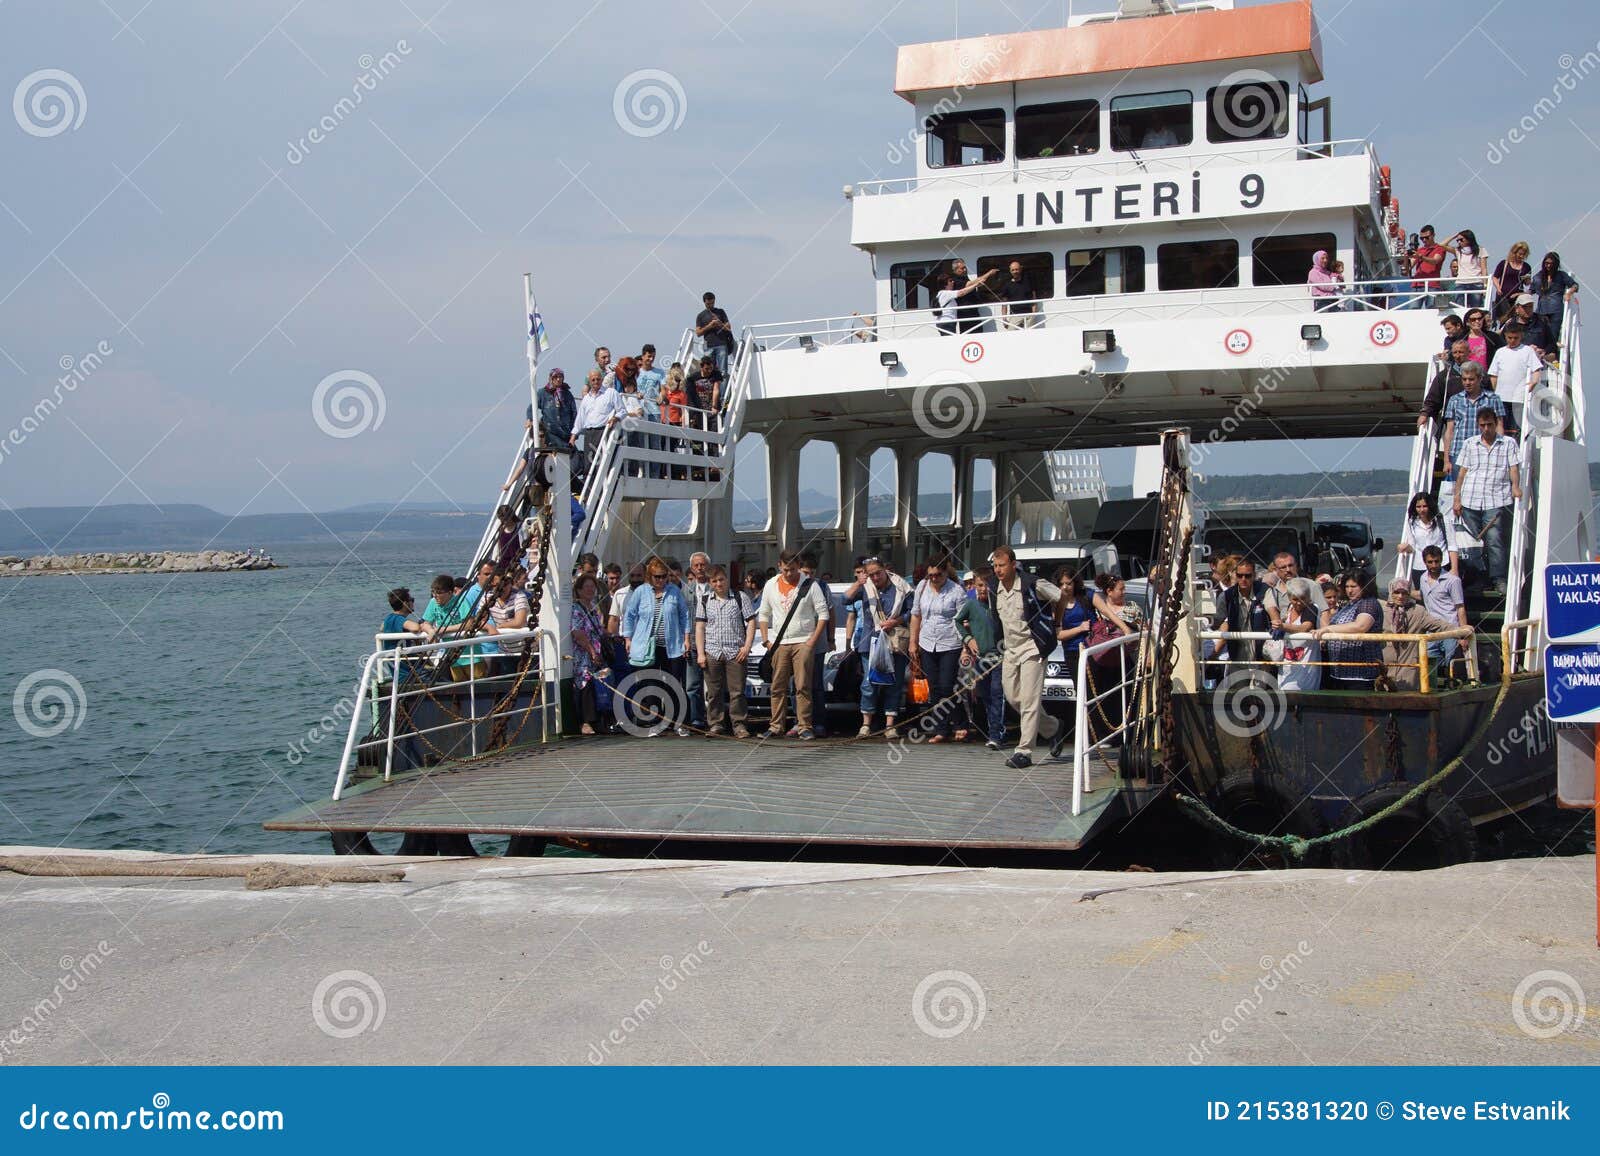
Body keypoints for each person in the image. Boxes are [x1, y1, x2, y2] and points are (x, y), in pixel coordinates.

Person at [989, 545, 1069, 770]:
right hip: (1010, 650)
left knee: (1030, 700)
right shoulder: (995, 587)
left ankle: (1024, 751)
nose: (997, 570)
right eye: (995, 566)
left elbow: (1060, 596)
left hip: (1033, 648)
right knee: (1014, 697)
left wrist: (1057, 622)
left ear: (1013, 565)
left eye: (1002, 565)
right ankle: (1053, 727)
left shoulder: (1032, 583)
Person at [756, 550, 832, 740]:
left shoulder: (810, 584)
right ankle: (776, 726)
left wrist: (812, 641)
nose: (789, 574)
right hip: (779, 642)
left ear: (799, 566)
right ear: (780, 565)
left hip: (803, 641)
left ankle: (804, 726)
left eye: (792, 569)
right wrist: (766, 639)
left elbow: (824, 614)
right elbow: (763, 614)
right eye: (785, 569)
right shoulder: (770, 585)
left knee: (802, 686)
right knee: (777, 686)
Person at [619, 556, 693, 736]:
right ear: (649, 576)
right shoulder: (640, 592)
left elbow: (685, 615)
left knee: (674, 683)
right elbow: (629, 615)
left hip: (672, 646)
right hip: (646, 646)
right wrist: (628, 638)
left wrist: (686, 638)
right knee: (649, 683)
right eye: (657, 576)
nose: (661, 580)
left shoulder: (674, 591)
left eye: (664, 576)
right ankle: (651, 721)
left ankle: (678, 722)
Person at [1452, 407, 1522, 594]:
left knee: (1494, 539)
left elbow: (1513, 468)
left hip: (1496, 498)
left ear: (1496, 423)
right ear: (1478, 425)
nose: (1486, 429)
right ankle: (1480, 578)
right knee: (1476, 542)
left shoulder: (1508, 443)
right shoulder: (1469, 443)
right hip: (1470, 498)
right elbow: (1462, 473)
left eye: (1489, 424)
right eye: (1482, 425)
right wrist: (1456, 498)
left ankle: (1499, 578)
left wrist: (1515, 487)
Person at [844, 556, 914, 739]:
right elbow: (845, 599)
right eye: (871, 575)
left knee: (894, 682)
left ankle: (890, 725)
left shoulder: (901, 586)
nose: (875, 578)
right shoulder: (865, 587)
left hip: (895, 641)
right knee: (869, 683)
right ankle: (866, 724)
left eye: (878, 573)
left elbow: (911, 612)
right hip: (870, 641)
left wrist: (895, 621)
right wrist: (858, 583)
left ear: (885, 569)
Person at [908, 556, 967, 743]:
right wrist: (913, 642)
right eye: (931, 575)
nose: (934, 578)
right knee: (933, 687)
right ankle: (940, 728)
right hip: (927, 642)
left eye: (938, 575)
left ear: (945, 572)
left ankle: (960, 723)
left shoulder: (956, 591)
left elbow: (964, 619)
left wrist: (966, 646)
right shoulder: (922, 587)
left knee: (947, 686)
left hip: (950, 642)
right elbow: (916, 615)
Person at [696, 565, 755, 739]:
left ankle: (739, 725)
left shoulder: (739, 597)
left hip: (735, 651)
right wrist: (701, 653)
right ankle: (716, 724)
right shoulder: (705, 600)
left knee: (737, 692)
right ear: (710, 583)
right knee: (714, 692)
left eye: (721, 579)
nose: (718, 583)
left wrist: (747, 646)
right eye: (714, 581)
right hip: (713, 651)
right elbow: (700, 627)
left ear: (727, 579)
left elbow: (751, 621)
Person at [954, 566, 1006, 749]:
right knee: (984, 695)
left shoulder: (999, 603)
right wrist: (969, 639)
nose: (983, 589)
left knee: (997, 694)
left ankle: (996, 734)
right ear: (974, 586)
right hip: (981, 658)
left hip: (1000, 657)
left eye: (986, 585)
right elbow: (957, 621)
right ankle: (992, 729)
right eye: (980, 585)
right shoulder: (971, 604)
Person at [1379, 579, 1456, 691]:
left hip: (1409, 668)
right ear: (1391, 592)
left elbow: (1438, 624)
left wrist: (1460, 630)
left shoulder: (1418, 612)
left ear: (1409, 593)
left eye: (1404, 593)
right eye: (1397, 592)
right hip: (1384, 667)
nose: (1400, 596)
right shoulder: (1381, 609)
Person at [1315, 570, 1382, 691]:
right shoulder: (1348, 605)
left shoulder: (1369, 603)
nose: (1349, 590)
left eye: (1353, 586)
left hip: (1361, 675)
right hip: (1339, 673)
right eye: (1346, 586)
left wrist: (1329, 629)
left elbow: (1361, 626)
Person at [1440, 363, 1506, 482]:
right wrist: (1446, 460)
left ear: (1480, 379)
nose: (1467, 383)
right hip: (1459, 453)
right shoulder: (1454, 400)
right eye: (1464, 379)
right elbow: (1449, 431)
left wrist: (1499, 450)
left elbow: (1499, 427)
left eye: (1471, 379)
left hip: (1485, 451)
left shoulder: (1493, 399)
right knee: (1459, 491)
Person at [1213, 558, 1277, 670]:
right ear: (1235, 575)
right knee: (1237, 687)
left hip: (1261, 656)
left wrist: (1276, 622)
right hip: (1236, 656)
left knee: (1259, 688)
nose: (1243, 579)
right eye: (1240, 575)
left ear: (1254, 576)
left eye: (1247, 576)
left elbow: (1272, 609)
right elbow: (1217, 622)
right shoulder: (1226, 596)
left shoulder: (1264, 590)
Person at [421, 572, 484, 682]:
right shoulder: (433, 603)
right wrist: (431, 631)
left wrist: (441, 630)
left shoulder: (461, 601)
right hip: (451, 655)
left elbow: (469, 623)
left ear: (450, 592)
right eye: (433, 592)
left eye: (439, 593)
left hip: (470, 653)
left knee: (478, 682)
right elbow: (425, 623)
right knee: (458, 685)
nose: (435, 596)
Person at [798, 554, 836, 736]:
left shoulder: (821, 586)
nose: (809, 576)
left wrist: (831, 638)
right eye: (805, 572)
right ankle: (800, 722)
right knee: (795, 685)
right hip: (796, 642)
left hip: (818, 643)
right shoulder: (792, 585)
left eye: (812, 572)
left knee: (816, 684)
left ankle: (818, 721)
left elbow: (830, 612)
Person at [1418, 545, 1468, 676]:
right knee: (1429, 665)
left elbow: (1460, 607)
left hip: (1450, 629)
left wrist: (1462, 634)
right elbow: (1422, 597)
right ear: (1424, 562)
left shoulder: (1453, 581)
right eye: (1430, 562)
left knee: (1452, 666)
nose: (1434, 565)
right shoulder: (1422, 578)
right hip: (1432, 630)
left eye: (1437, 561)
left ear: (1441, 560)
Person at [570, 573, 609, 734]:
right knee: (584, 685)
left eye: (593, 587)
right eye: (586, 587)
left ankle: (598, 720)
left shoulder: (593, 607)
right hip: (584, 655)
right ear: (578, 590)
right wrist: (592, 651)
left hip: (596, 655)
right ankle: (585, 722)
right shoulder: (576, 609)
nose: (590, 590)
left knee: (597, 686)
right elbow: (578, 633)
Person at [1487, 322, 1542, 436]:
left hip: (1519, 398)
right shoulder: (1500, 352)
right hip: (1501, 397)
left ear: (1521, 336)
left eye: (1515, 338)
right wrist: (1493, 393)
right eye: (1509, 338)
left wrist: (1534, 382)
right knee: (1500, 426)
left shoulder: (1527, 350)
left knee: (1516, 429)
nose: (1512, 340)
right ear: (1505, 336)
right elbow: (1493, 375)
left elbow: (1536, 370)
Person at [1396, 492, 1457, 586]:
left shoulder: (1443, 520)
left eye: (1425, 506)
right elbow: (1413, 546)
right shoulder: (1411, 522)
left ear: (1430, 506)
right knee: (1422, 596)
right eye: (1418, 507)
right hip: (1420, 566)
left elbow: (1452, 545)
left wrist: (1454, 569)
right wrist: (1406, 547)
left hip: (1441, 563)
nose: (1421, 510)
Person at [681, 552, 712, 731]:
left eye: (703, 565)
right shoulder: (684, 590)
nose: (700, 568)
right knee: (693, 685)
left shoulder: (717, 587)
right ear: (692, 568)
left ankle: (716, 720)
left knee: (715, 685)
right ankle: (696, 719)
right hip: (692, 642)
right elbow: (683, 617)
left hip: (713, 642)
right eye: (696, 565)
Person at [1275, 577, 1322, 692]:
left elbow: (1305, 627)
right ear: (1289, 598)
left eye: (1303, 599)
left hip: (1306, 663)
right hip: (1287, 663)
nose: (1299, 603)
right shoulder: (1289, 608)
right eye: (1295, 599)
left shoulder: (1311, 608)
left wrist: (1283, 626)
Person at [482, 566, 531, 676]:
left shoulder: (519, 596)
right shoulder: (488, 597)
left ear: (510, 584)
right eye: (497, 586)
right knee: (508, 683)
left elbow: (519, 622)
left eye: (505, 585)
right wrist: (489, 627)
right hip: (505, 651)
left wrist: (500, 627)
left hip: (526, 650)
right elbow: (479, 620)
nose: (501, 589)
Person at [572, 367, 620, 479]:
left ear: (602, 379)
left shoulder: (611, 393)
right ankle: (588, 492)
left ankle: (602, 491)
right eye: (593, 380)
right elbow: (580, 419)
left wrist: (615, 418)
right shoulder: (586, 399)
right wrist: (574, 435)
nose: (596, 382)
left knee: (603, 462)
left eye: (598, 379)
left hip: (603, 431)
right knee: (588, 463)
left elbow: (622, 410)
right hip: (589, 433)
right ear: (589, 381)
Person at [685, 355, 724, 476]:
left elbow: (716, 390)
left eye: (711, 368)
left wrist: (714, 406)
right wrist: (693, 412)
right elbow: (690, 395)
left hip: (711, 411)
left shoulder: (716, 375)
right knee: (700, 438)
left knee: (714, 436)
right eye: (707, 368)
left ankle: (714, 464)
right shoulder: (693, 378)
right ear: (701, 367)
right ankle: (701, 465)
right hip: (699, 412)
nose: (709, 371)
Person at [1264, 551, 1327, 622]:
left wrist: (1323, 631)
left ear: (1296, 565)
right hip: (1287, 631)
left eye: (1290, 565)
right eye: (1283, 567)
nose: (1288, 570)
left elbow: (1324, 612)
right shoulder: (1273, 591)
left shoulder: (1311, 585)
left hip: (1309, 631)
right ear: (1276, 570)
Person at [934, 268, 998, 336]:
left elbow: (964, 289)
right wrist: (976, 285)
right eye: (950, 281)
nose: (953, 282)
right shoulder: (945, 293)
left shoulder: (942, 294)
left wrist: (976, 284)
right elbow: (962, 292)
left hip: (946, 323)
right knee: (949, 342)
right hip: (946, 323)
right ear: (945, 284)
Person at [636, 344, 668, 479]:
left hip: (654, 411)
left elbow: (664, 389)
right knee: (642, 444)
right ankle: (643, 473)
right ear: (643, 356)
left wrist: (662, 396)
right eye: (649, 356)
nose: (651, 359)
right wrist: (636, 394)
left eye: (653, 356)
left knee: (655, 444)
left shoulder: (660, 372)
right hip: (640, 411)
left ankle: (654, 474)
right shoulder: (637, 372)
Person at [1532, 251, 1578, 338]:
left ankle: (1552, 350)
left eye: (1551, 263)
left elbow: (1575, 285)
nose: (1548, 266)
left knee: (1553, 333)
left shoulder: (1561, 275)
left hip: (1556, 309)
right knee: (1540, 334)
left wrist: (1569, 293)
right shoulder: (1539, 276)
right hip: (1541, 310)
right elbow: (1532, 289)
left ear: (1556, 264)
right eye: (1546, 263)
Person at [694, 291, 736, 376]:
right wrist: (709, 326)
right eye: (708, 303)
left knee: (723, 372)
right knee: (708, 371)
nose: (710, 305)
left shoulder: (721, 312)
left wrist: (720, 323)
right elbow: (698, 333)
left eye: (712, 303)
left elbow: (728, 328)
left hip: (721, 345)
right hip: (708, 346)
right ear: (704, 302)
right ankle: (712, 389)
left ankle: (722, 390)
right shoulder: (700, 316)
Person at [1405, 224, 1447, 307]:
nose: (1424, 240)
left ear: (1433, 235)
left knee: (1432, 310)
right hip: (1417, 285)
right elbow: (1408, 269)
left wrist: (1420, 256)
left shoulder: (1439, 248)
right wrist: (1406, 258)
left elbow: (1435, 261)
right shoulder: (1419, 250)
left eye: (1427, 237)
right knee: (1413, 309)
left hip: (1432, 285)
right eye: (1421, 238)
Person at [1491, 241, 1534, 320]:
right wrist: (1498, 288)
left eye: (1524, 254)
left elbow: (1527, 284)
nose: (1521, 256)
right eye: (1520, 253)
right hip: (1503, 296)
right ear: (1514, 252)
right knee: (1503, 319)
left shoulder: (1526, 267)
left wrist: (1527, 279)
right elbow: (1495, 277)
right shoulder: (1504, 263)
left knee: (1516, 319)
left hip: (1517, 297)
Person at [662, 365, 691, 481]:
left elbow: (684, 411)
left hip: (675, 423)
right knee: (661, 448)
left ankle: (669, 473)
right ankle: (662, 472)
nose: (677, 382)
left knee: (670, 448)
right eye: (675, 379)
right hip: (663, 422)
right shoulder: (664, 391)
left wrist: (684, 426)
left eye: (679, 380)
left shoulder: (681, 394)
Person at [997, 260, 1041, 329]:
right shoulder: (1007, 285)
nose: (1015, 271)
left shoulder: (1028, 282)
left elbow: (1033, 298)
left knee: (1031, 335)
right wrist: (1004, 319)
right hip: (1015, 315)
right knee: (1010, 333)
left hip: (1029, 314)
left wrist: (1034, 314)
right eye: (1013, 270)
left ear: (1020, 269)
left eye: (1017, 269)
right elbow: (1004, 303)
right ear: (1010, 271)